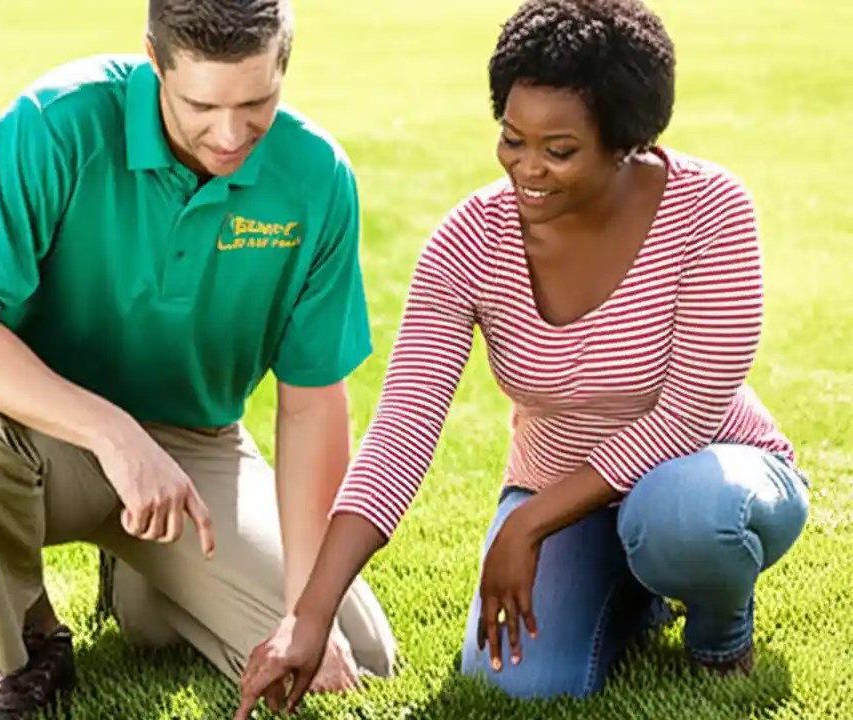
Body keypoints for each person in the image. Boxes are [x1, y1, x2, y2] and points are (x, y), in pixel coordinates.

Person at [235, 0, 810, 714]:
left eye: (559, 151)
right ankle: (633, 588)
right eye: (512, 140)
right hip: (559, 485)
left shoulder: (711, 211)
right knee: (518, 682)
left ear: (625, 140)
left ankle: (719, 633)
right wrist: (309, 614)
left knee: (683, 518)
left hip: (714, 475)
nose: (526, 169)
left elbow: (687, 417)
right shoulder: (469, 244)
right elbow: (402, 435)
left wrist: (527, 525)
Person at [0, 0, 397, 717]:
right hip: (41, 440)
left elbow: (312, 401)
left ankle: (140, 579)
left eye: (257, 102)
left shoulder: (315, 176)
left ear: (285, 64)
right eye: (201, 104)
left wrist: (304, 612)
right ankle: (29, 649)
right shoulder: (55, 122)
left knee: (350, 654)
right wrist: (111, 432)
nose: (229, 135)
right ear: (154, 60)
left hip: (195, 446)